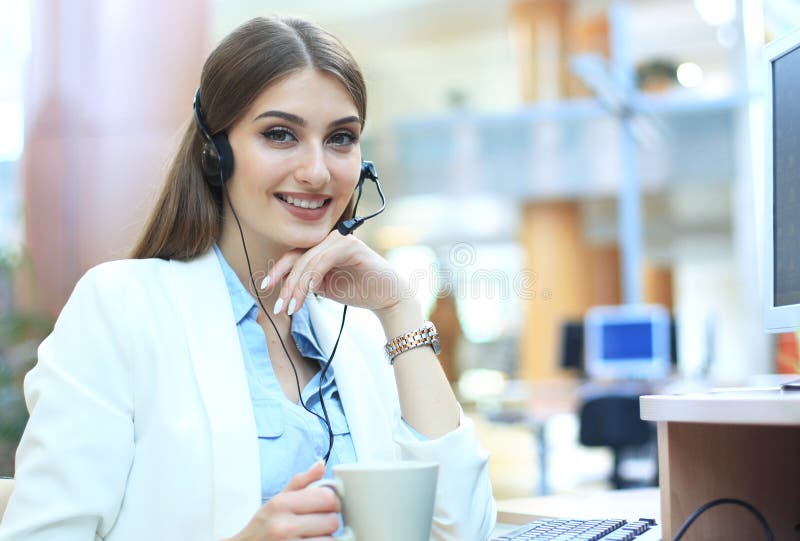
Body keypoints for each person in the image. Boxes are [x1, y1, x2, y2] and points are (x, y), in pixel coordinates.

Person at [0, 16, 496, 541]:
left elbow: (465, 531)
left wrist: (398, 307)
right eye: (280, 134)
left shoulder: (360, 333)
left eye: (341, 138)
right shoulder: (121, 308)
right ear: (216, 153)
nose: (317, 171)